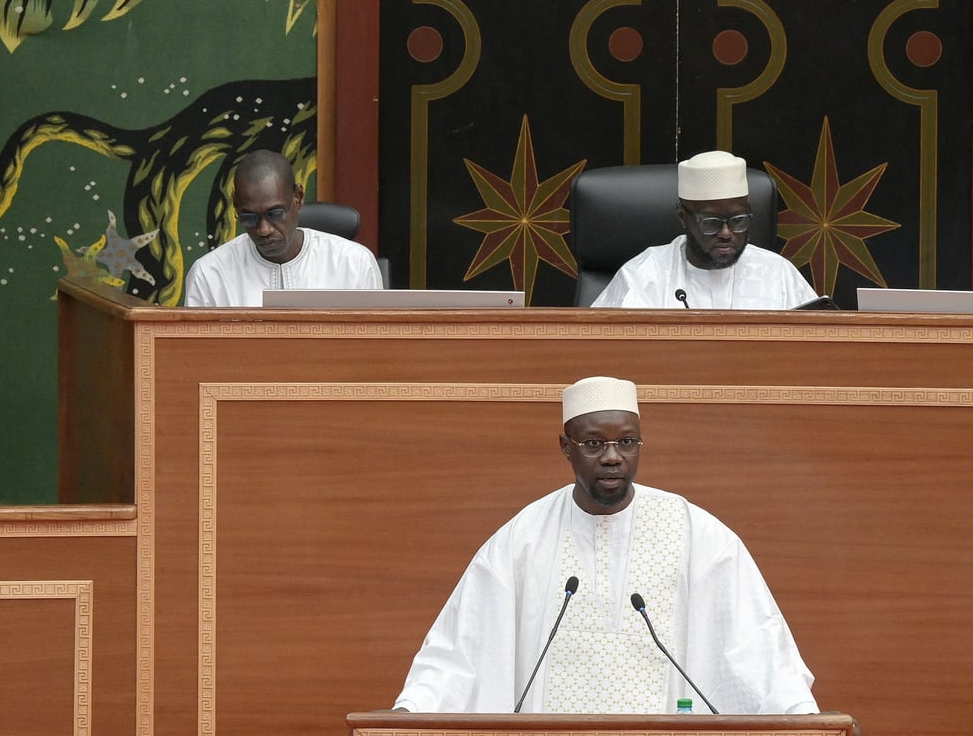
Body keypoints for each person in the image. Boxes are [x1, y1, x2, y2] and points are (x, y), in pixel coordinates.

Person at [393, 376, 819, 715]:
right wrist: (412, 711)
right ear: (566, 448)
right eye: (595, 443)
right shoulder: (523, 538)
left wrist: (803, 716)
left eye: (627, 442)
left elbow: (755, 646)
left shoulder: (695, 533)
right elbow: (460, 651)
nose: (613, 456)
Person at [590, 150, 818, 309]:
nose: (727, 233)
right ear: (683, 217)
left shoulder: (777, 273)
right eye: (711, 223)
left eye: (738, 220)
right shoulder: (644, 274)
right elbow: (602, 350)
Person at [184, 150, 383, 306]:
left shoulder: (354, 264)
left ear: (298, 197)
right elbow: (196, 355)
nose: (263, 230)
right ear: (235, 205)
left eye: (275, 214)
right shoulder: (209, 274)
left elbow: (375, 349)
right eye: (249, 218)